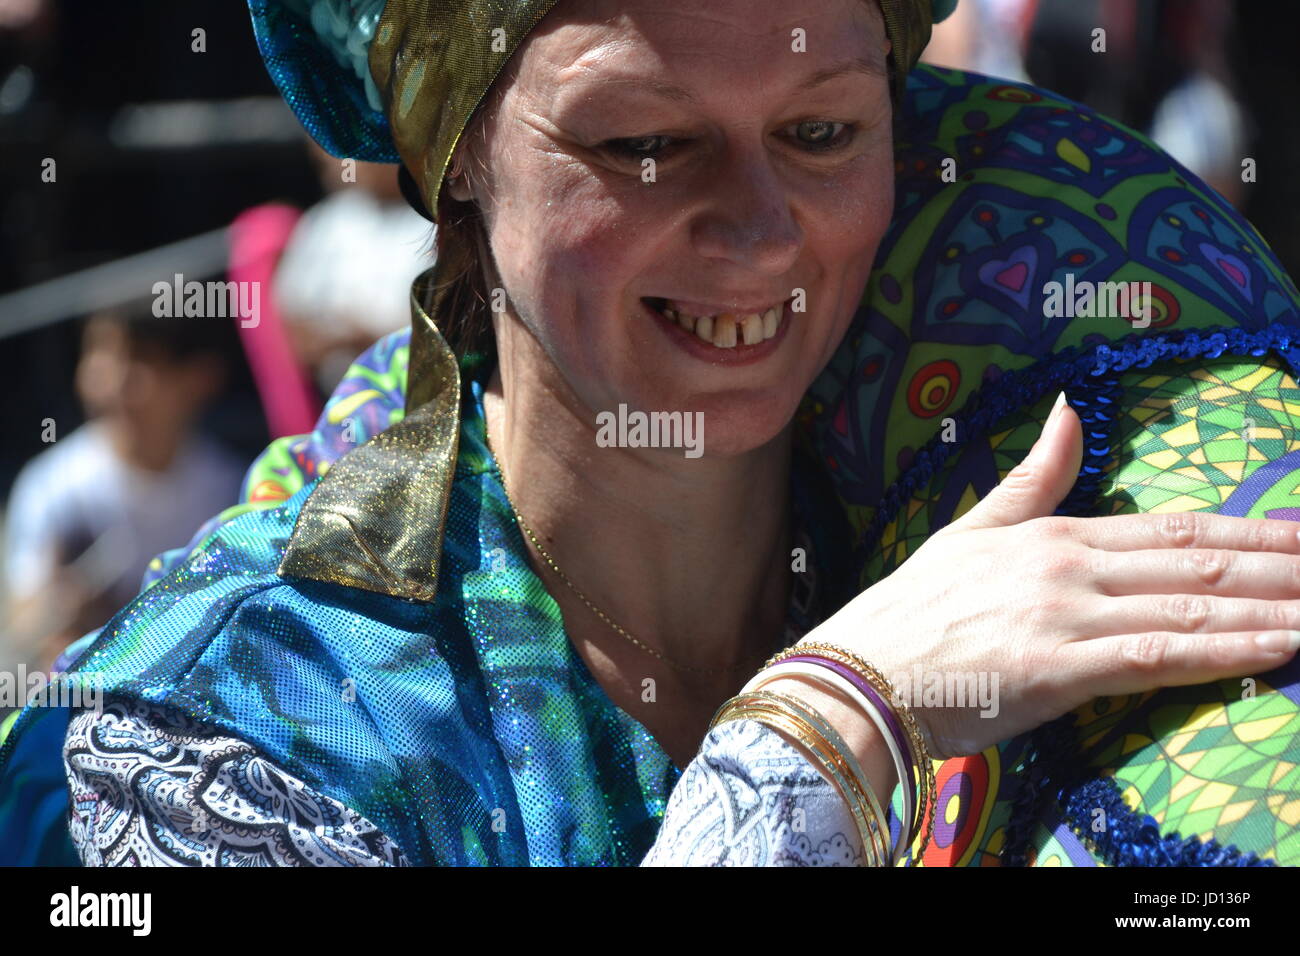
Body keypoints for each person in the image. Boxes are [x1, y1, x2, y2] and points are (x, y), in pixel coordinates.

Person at [2, 0, 1299, 867]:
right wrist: (827, 731)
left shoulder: (993, 519)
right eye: (644, 143)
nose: (760, 232)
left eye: (821, 130)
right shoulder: (195, 740)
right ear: (456, 158)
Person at [2, 306, 245, 676]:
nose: (109, 382)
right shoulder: (53, 487)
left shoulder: (229, 485)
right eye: (98, 354)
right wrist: (58, 609)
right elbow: (24, 626)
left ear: (200, 377)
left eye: (138, 359)